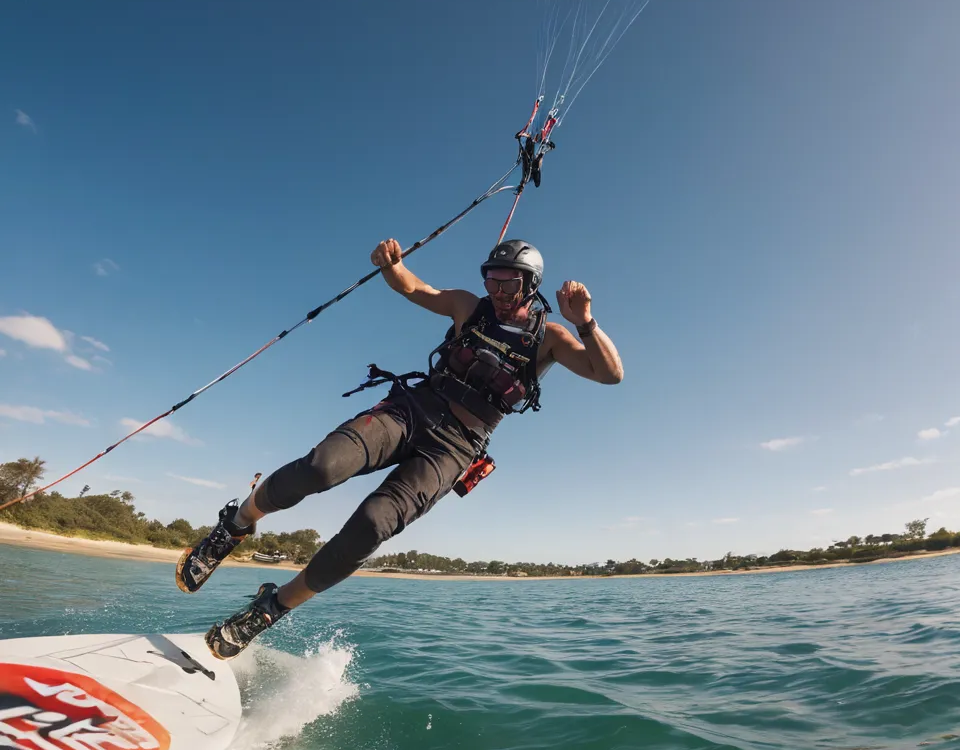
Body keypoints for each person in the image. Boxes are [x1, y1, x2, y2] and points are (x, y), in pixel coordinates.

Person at [176, 238, 624, 659]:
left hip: (456, 446)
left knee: (372, 526)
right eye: (492, 279)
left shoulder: (552, 338)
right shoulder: (469, 305)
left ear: (530, 284)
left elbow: (609, 374)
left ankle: (271, 606)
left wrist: (584, 321)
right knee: (321, 467)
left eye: (509, 282)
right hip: (412, 409)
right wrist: (392, 265)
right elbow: (414, 288)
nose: (498, 290)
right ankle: (234, 525)